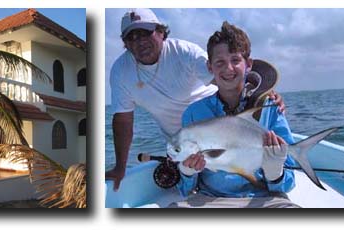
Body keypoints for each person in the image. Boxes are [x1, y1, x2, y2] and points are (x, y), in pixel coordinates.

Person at [105, 9, 283, 190]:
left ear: (160, 32)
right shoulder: (120, 71)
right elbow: (123, 120)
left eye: (145, 32)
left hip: (215, 121)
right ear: (125, 44)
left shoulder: (184, 52)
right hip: (179, 143)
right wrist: (120, 168)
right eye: (132, 36)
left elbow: (225, 74)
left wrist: (264, 96)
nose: (140, 40)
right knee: (196, 179)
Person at [169, 21, 299, 208]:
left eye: (235, 60)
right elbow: (186, 189)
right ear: (209, 67)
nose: (228, 69)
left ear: (248, 64)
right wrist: (187, 172)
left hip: (263, 198)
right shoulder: (193, 113)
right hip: (210, 200)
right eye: (220, 62)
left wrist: (275, 172)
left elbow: (289, 181)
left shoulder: (270, 108)